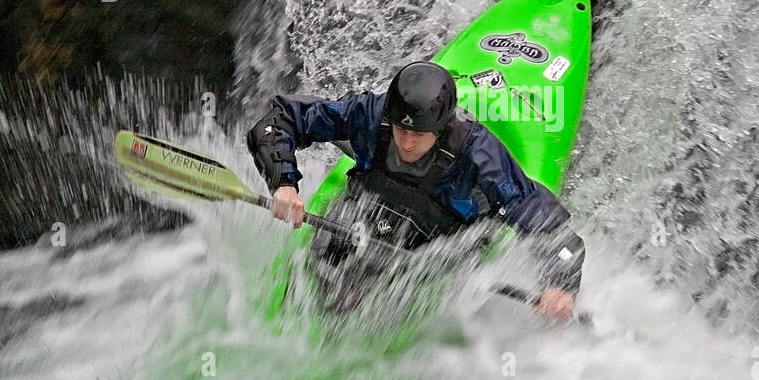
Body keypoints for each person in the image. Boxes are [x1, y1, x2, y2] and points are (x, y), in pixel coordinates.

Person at [247, 61, 584, 320]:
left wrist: (560, 285)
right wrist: (284, 183)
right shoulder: (370, 115)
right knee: (324, 281)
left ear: (443, 126)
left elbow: (552, 230)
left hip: (432, 255)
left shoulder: (482, 157)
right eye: (400, 131)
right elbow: (279, 120)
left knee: (366, 304)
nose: (406, 142)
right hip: (358, 223)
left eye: (419, 135)